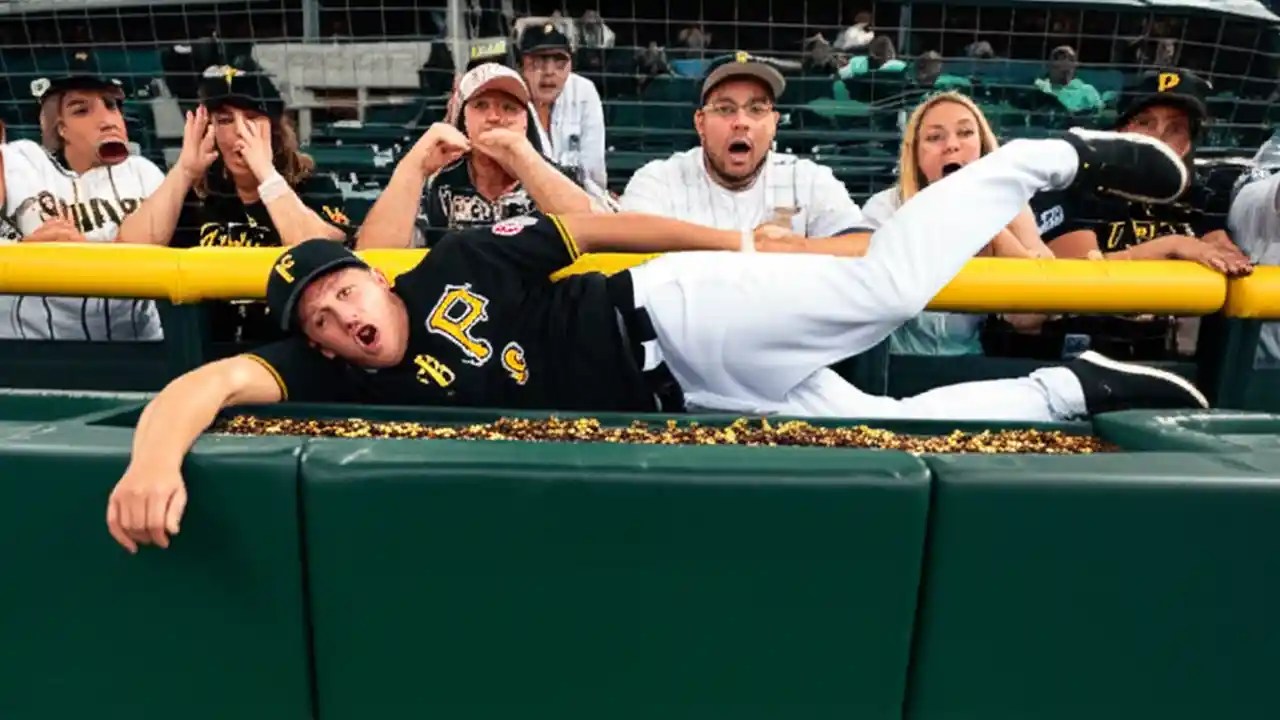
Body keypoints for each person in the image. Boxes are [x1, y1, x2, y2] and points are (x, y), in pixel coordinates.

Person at [108, 127, 1211, 552]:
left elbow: (588, 225)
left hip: (671, 315)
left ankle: (1041, 160)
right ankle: (1070, 391)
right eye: (322, 325)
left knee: (880, 292)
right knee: (884, 432)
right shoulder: (321, 367)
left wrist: (734, 249)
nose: (342, 320)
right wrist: (154, 458)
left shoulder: (457, 262)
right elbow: (198, 384)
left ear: (366, 275)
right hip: (686, 406)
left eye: (343, 293)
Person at [1027, 68, 1252, 360]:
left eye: (1175, 128)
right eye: (1145, 123)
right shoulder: (1074, 186)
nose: (1158, 138)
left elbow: (1219, 249)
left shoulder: (1203, 198)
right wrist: (1173, 246)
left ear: (1187, 143)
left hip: (1169, 360)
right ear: (1122, 131)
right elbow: (1079, 282)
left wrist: (1221, 253)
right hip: (1073, 358)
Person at [119, 64, 351, 344]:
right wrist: (183, 171)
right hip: (206, 353)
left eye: (252, 117)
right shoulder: (199, 194)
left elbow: (324, 256)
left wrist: (266, 175)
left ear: (275, 129)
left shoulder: (312, 185)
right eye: (225, 120)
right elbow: (128, 253)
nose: (239, 132)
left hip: (296, 350)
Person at [854, 92, 1054, 356]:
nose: (951, 145)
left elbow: (1031, 317)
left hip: (971, 367)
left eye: (965, 133)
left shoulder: (1011, 207)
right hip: (895, 368)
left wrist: (993, 233)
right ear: (915, 154)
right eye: (934, 137)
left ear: (982, 146)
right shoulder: (884, 208)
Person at [0, 58, 167, 341]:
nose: (106, 120)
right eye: (82, 110)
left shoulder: (144, 174)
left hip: (135, 348)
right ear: (60, 128)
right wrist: (19, 255)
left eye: (112, 106)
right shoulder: (20, 159)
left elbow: (144, 264)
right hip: (26, 352)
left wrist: (86, 256)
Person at [357, 62, 601, 250]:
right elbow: (373, 254)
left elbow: (602, 238)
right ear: (463, 120)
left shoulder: (564, 178)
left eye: (509, 108)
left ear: (527, 123)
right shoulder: (435, 185)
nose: (494, 117)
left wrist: (523, 157)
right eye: (481, 106)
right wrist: (413, 167)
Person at [620, 53, 865, 237]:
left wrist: (797, 248)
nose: (741, 122)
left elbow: (860, 246)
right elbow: (630, 241)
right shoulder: (659, 181)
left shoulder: (809, 180)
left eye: (757, 109)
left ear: (774, 123)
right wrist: (748, 246)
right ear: (700, 123)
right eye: (725, 109)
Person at [516, 19, 608, 192]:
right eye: (538, 62)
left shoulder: (583, 92)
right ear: (522, 67)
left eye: (560, 62)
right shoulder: (509, 96)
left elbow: (594, 173)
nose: (549, 72)